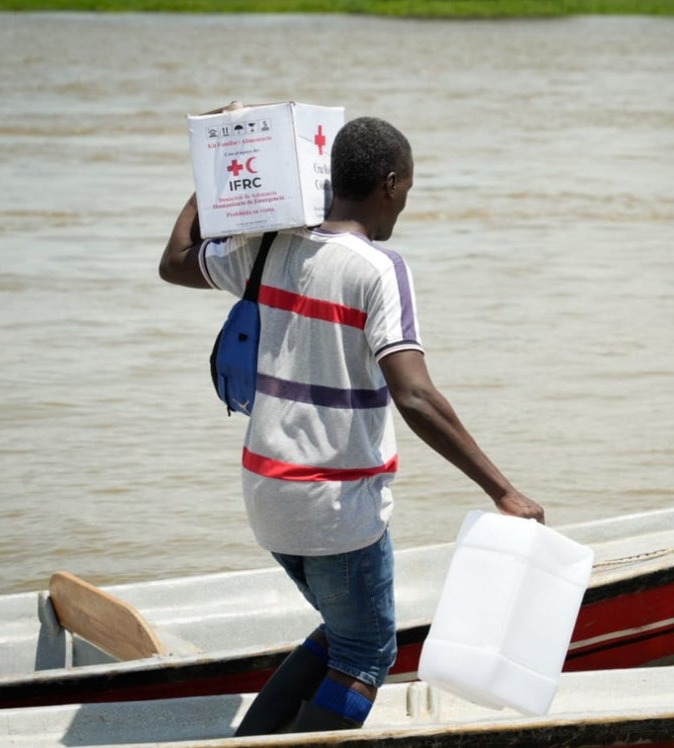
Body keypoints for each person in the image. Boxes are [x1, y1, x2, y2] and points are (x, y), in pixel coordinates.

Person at [159, 112, 545, 735]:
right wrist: (501, 488)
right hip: (333, 506)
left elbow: (176, 260)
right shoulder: (377, 269)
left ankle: (253, 740)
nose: (404, 206)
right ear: (389, 184)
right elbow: (414, 395)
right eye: (408, 191)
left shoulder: (268, 246)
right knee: (367, 653)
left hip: (266, 496)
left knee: (344, 632)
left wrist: (216, 178)